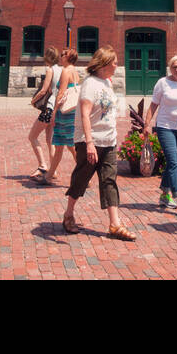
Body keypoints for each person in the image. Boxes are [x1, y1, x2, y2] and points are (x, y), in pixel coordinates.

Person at [61, 47, 135, 241]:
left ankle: (115, 224)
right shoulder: (90, 84)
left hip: (109, 141)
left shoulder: (107, 82)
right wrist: (89, 143)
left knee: (109, 180)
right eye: (115, 62)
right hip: (90, 140)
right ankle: (68, 214)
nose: (117, 65)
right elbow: (85, 114)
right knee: (81, 179)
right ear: (104, 64)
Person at [149, 54, 177, 218]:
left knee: (172, 162)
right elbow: (153, 104)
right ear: (170, 68)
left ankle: (164, 194)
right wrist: (146, 125)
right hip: (164, 126)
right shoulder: (162, 83)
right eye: (174, 66)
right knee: (174, 161)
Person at [38, 48, 79, 185]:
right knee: (62, 144)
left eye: (63, 55)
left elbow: (61, 94)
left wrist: (54, 113)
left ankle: (85, 175)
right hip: (73, 110)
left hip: (64, 111)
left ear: (68, 58)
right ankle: (49, 175)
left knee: (69, 145)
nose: (60, 57)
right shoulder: (75, 71)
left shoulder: (66, 71)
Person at [27, 47, 62, 179]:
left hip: (49, 108)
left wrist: (33, 101)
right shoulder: (62, 70)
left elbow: (43, 90)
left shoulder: (50, 70)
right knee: (50, 140)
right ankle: (53, 170)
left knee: (32, 136)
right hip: (56, 109)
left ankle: (43, 165)